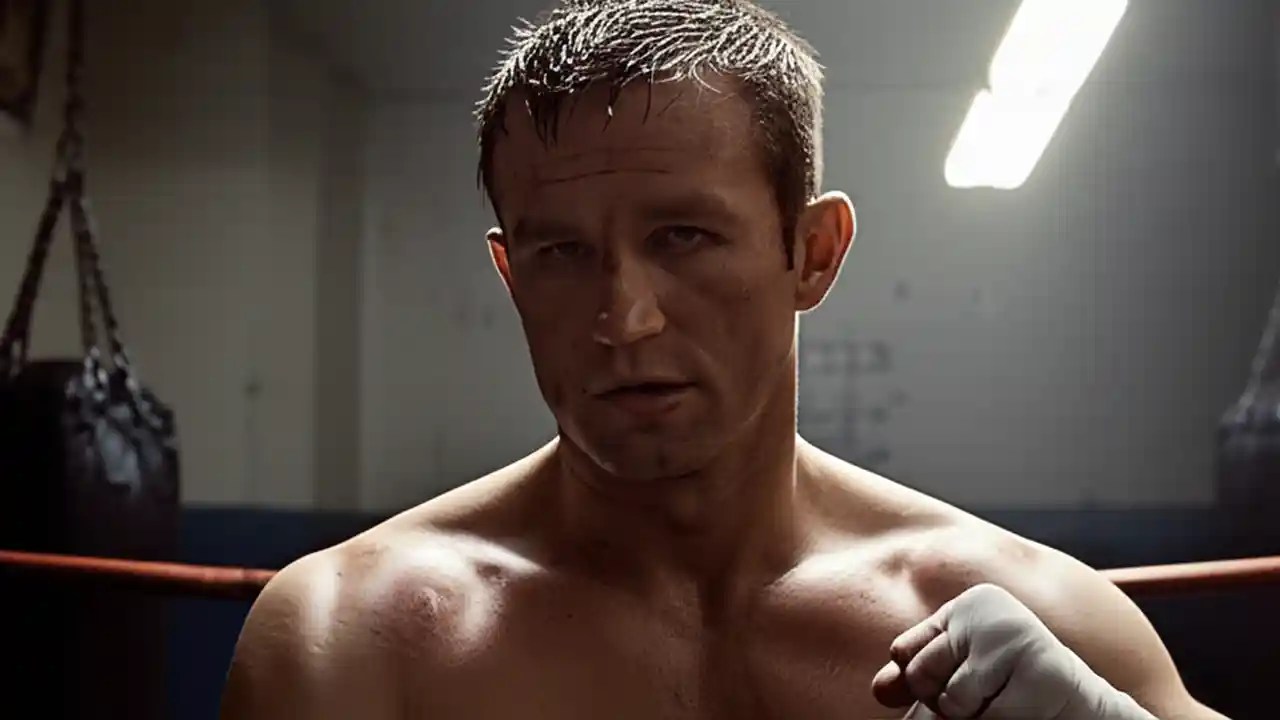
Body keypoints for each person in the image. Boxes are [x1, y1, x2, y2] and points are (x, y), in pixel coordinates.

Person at [220, 1, 1227, 718]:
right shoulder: (352, 642)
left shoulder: (1038, 631)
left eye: (683, 238)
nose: (626, 320)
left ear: (811, 253)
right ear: (510, 275)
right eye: (561, 253)